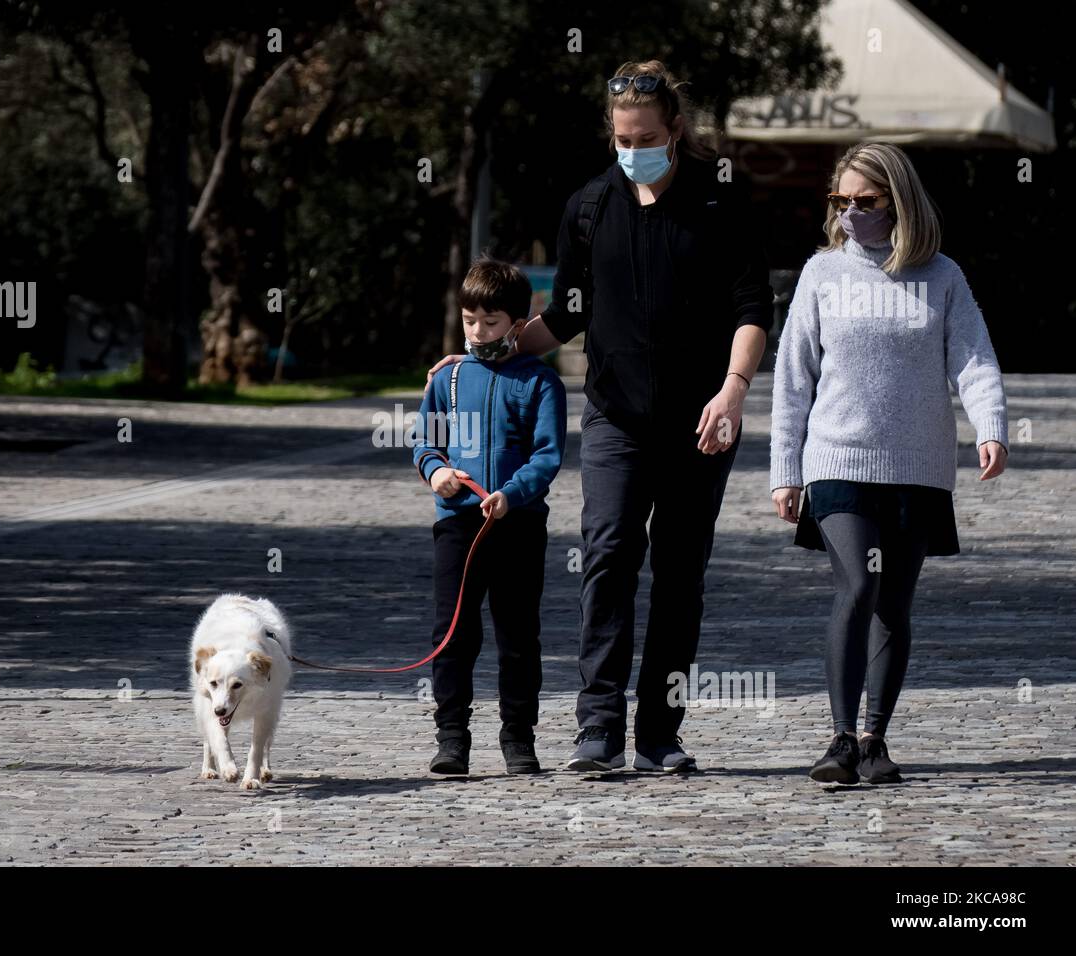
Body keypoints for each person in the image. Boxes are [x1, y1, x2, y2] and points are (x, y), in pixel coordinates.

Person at [426, 60, 773, 773]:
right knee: (609, 553)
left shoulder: (720, 199)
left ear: (674, 129)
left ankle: (660, 734)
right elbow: (564, 314)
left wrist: (734, 389)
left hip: (701, 422)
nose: (632, 148)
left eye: (645, 135)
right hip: (616, 418)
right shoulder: (590, 207)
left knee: (680, 573)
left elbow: (751, 306)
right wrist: (477, 359)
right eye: (621, 136)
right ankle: (599, 726)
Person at [770, 142, 1009, 785]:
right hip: (837, 458)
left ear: (898, 201)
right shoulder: (821, 274)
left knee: (893, 604)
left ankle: (876, 738)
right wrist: (785, 470)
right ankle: (840, 737)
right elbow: (793, 376)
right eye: (840, 201)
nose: (851, 213)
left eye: (866, 201)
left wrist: (991, 428)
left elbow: (973, 358)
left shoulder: (942, 276)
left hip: (917, 463)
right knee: (858, 586)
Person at [412, 255, 568, 775]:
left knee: (518, 635)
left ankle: (518, 738)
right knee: (453, 634)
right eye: (469, 321)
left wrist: (512, 493)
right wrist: (436, 473)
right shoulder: (448, 378)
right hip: (456, 523)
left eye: (491, 322)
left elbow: (547, 455)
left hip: (517, 524)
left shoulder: (541, 383)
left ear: (517, 325)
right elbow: (425, 442)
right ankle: (452, 737)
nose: (479, 332)